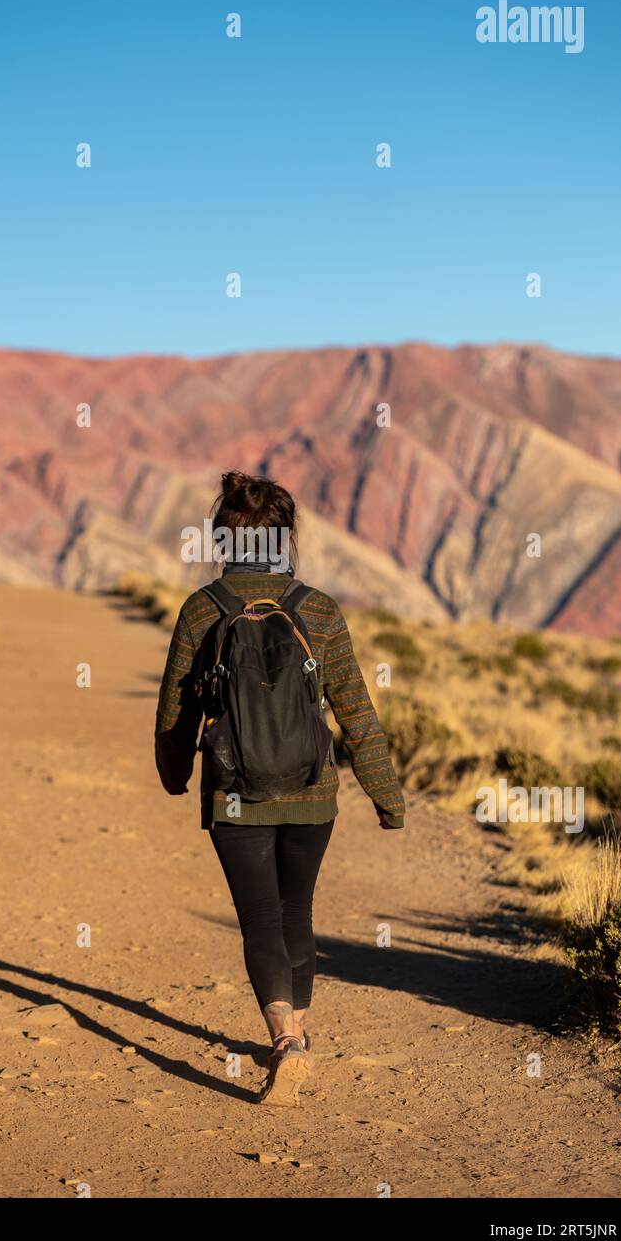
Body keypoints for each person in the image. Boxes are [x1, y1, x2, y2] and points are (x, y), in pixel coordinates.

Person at [154, 471, 405, 1106]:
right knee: (297, 912)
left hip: (235, 793)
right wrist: (386, 796)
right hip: (312, 792)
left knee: (260, 918)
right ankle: (298, 1032)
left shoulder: (202, 610)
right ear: (285, 539)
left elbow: (174, 710)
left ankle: (284, 1038)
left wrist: (175, 772)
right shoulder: (317, 609)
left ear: (225, 539)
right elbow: (355, 709)